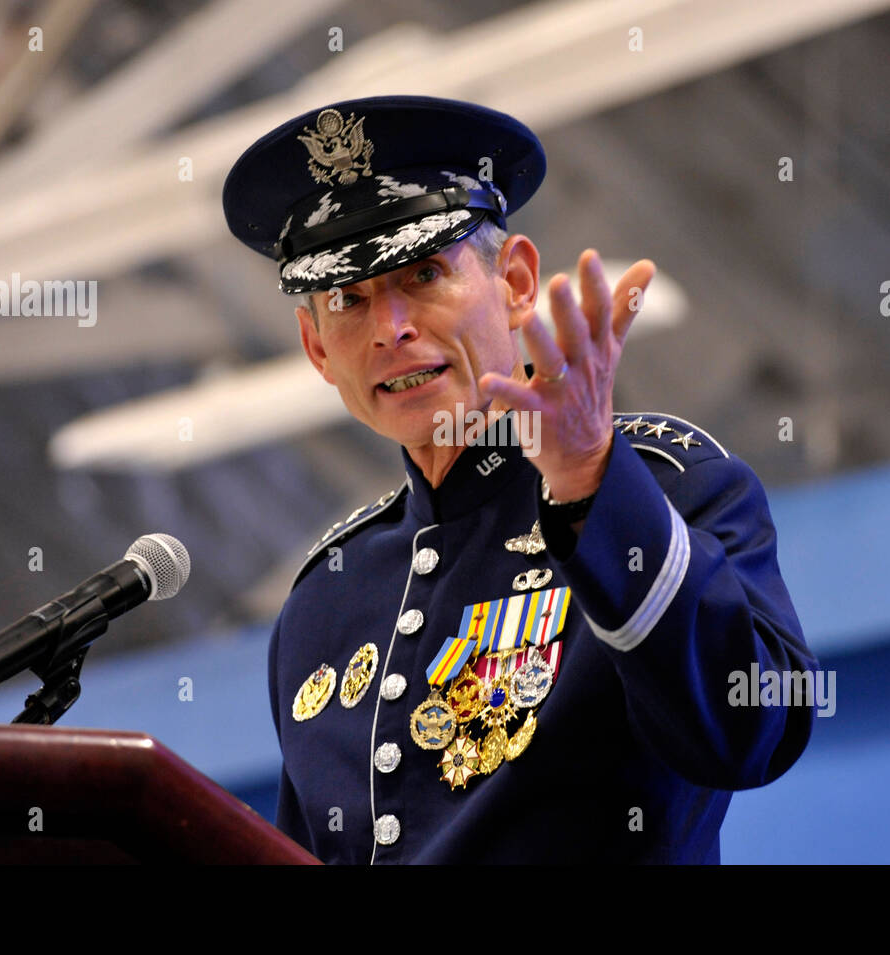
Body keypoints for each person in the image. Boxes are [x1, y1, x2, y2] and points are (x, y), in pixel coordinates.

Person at [223, 94, 819, 864]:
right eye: (348, 298)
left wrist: (588, 479)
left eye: (426, 272)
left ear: (515, 281)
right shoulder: (323, 598)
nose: (389, 327)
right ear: (315, 347)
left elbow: (755, 731)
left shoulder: (666, 487)